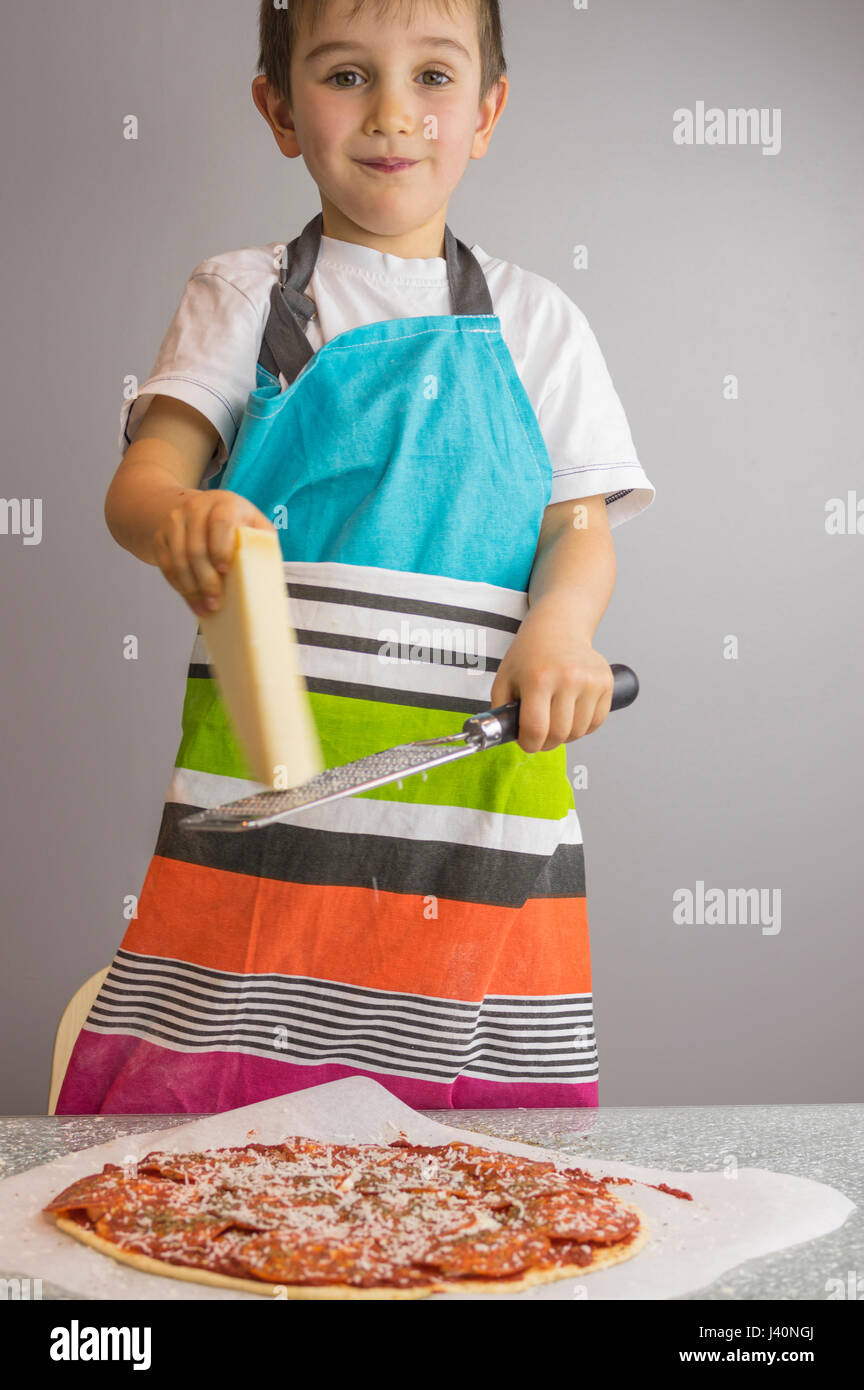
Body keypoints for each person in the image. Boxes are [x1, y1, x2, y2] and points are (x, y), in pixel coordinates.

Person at [56, 0, 655, 1114]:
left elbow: (579, 529)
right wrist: (179, 516)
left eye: (433, 77)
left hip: (479, 801)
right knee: (214, 1145)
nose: (392, 114)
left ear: (488, 111)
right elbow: (141, 486)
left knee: (478, 1174)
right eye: (345, 76)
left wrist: (561, 629)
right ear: (279, 109)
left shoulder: (540, 322)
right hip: (270, 809)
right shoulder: (245, 297)